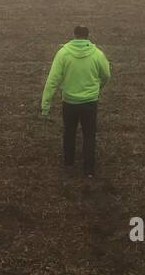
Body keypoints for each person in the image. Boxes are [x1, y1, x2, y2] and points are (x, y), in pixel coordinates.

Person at [40, 26, 111, 177]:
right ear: (87, 36)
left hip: (70, 102)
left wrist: (45, 105)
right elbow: (106, 75)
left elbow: (52, 80)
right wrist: (98, 88)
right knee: (89, 134)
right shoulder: (97, 54)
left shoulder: (63, 54)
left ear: (74, 35)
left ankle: (69, 162)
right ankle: (89, 169)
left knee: (69, 132)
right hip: (90, 102)